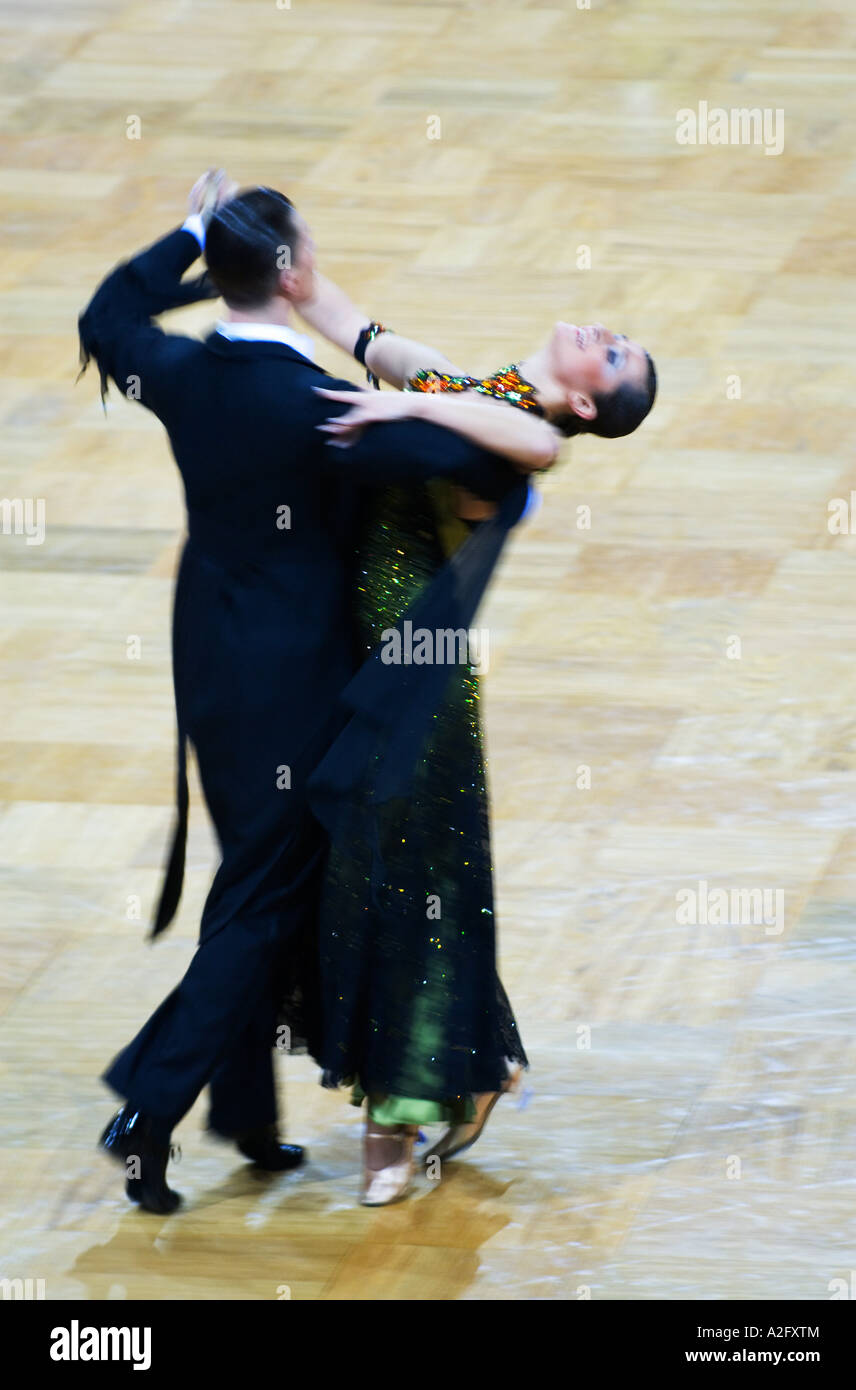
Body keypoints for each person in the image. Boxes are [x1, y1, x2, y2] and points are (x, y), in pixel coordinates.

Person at [78, 172, 540, 1213]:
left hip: (208, 660)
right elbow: (488, 456)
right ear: (290, 274)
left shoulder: (182, 372)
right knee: (259, 905)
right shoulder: (329, 411)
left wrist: (191, 226)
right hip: (297, 686)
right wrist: (512, 420)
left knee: (250, 884)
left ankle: (251, 1121)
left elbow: (107, 312)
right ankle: (146, 1113)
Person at [283, 276, 657, 1203]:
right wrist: (291, 272)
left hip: (422, 687)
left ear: (582, 401)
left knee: (403, 883)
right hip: (357, 665)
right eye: (616, 338)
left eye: (612, 357)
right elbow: (355, 329)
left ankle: (393, 1127)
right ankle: (477, 1067)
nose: (605, 332)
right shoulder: (464, 391)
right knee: (394, 880)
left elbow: (536, 444)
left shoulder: (521, 436)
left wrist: (405, 400)